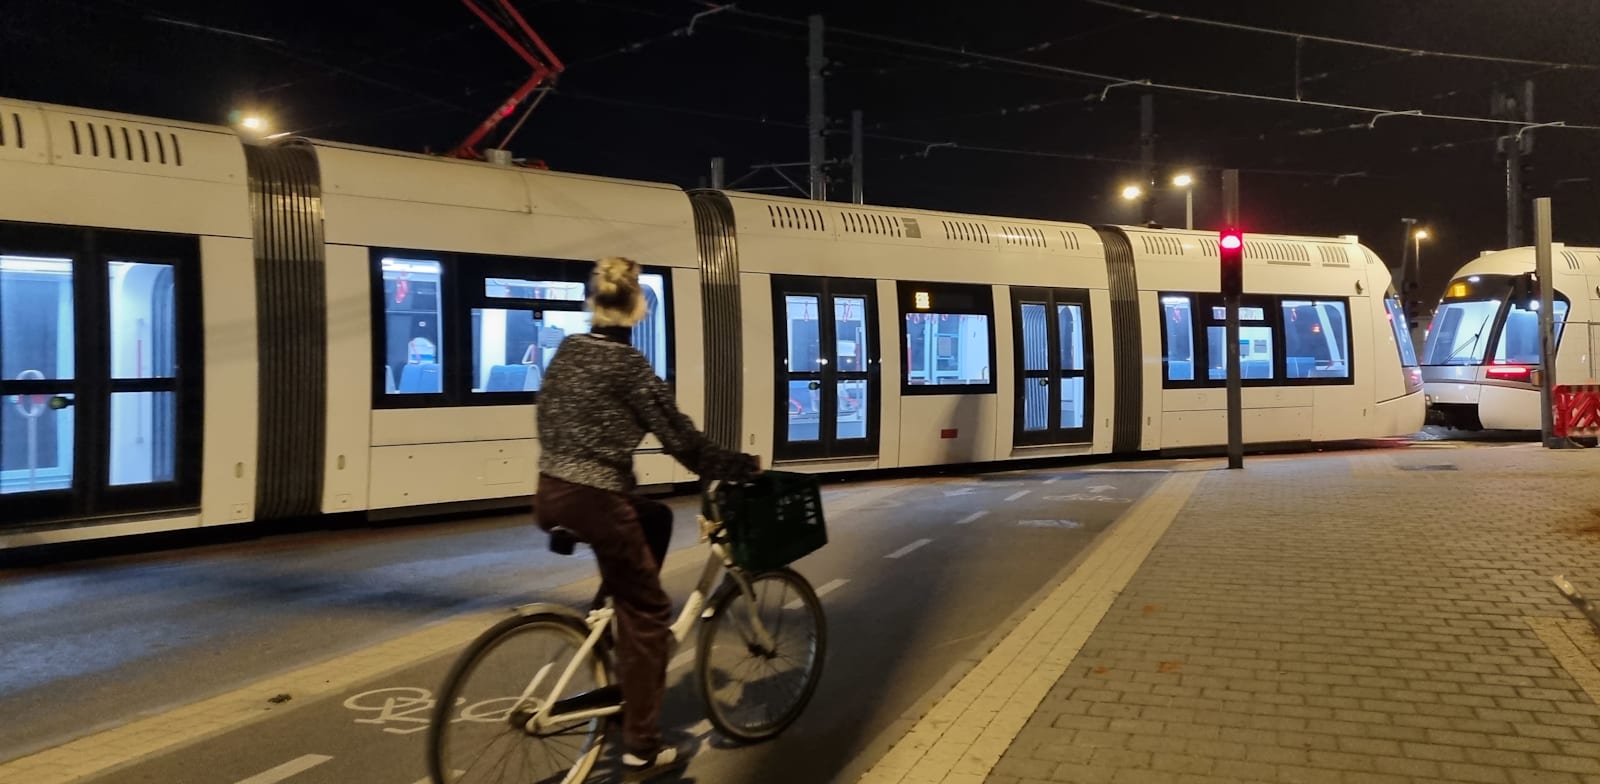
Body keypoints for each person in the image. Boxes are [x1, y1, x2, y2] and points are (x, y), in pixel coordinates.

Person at [535, 256, 760, 779]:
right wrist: (739, 466)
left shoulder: (567, 350)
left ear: (593, 305)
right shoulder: (630, 367)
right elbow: (685, 444)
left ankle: (608, 616)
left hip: (550, 494)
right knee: (651, 614)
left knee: (654, 519)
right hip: (596, 501)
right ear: (638, 309)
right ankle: (640, 746)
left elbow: (547, 416)